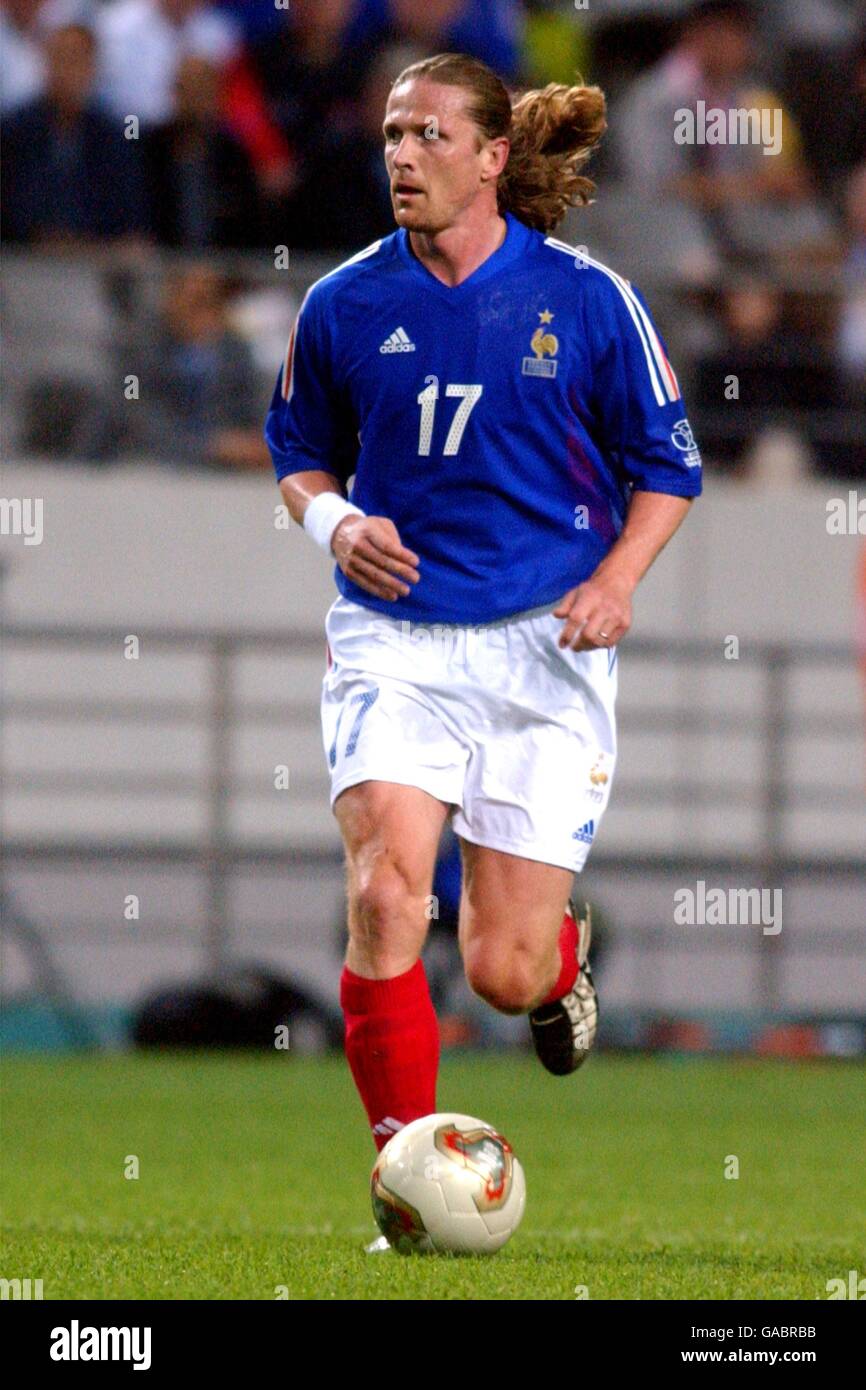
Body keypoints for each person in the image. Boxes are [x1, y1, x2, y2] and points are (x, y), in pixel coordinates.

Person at [265, 52, 702, 1241]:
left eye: (427, 135)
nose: (400, 155)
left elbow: (669, 464)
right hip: (393, 642)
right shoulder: (344, 302)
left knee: (502, 969)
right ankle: (402, 1176)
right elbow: (295, 447)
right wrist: (337, 521)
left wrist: (615, 580)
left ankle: (557, 967)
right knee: (384, 889)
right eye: (390, 133)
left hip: (542, 648)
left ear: (493, 155)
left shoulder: (587, 299)